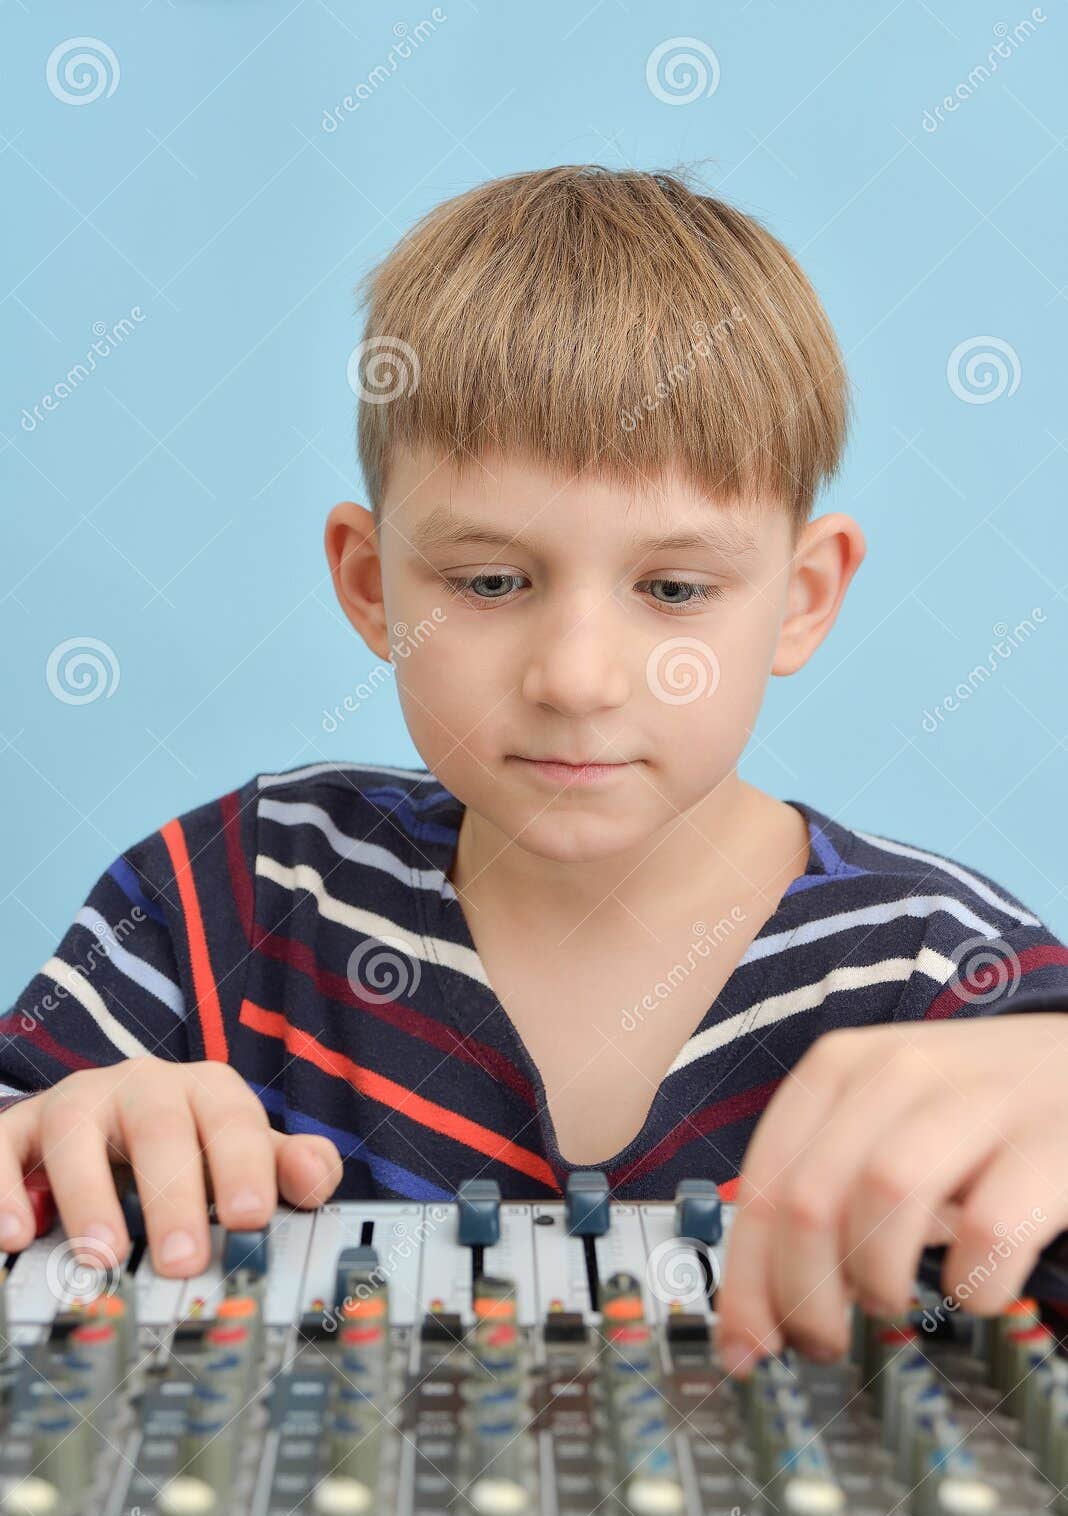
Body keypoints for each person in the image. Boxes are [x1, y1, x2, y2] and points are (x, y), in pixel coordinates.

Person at [3, 165, 1068, 1375]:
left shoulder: (944, 976)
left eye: (673, 590)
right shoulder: (228, 901)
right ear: (370, 583)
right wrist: (51, 1143)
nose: (576, 677)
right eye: (490, 583)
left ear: (802, 599)